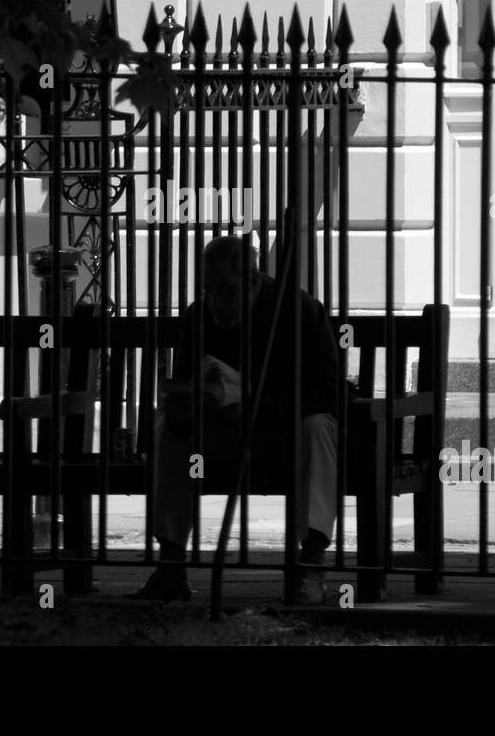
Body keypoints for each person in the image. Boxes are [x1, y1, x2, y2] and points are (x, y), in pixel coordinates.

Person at [130, 234, 340, 603]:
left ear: (253, 279)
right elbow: (185, 381)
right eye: (209, 290)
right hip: (222, 434)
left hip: (283, 435)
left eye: (226, 290)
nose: (216, 301)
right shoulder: (199, 316)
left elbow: (325, 391)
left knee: (316, 426)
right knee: (169, 431)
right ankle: (171, 565)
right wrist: (186, 407)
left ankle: (311, 564)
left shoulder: (297, 309)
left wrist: (255, 400)